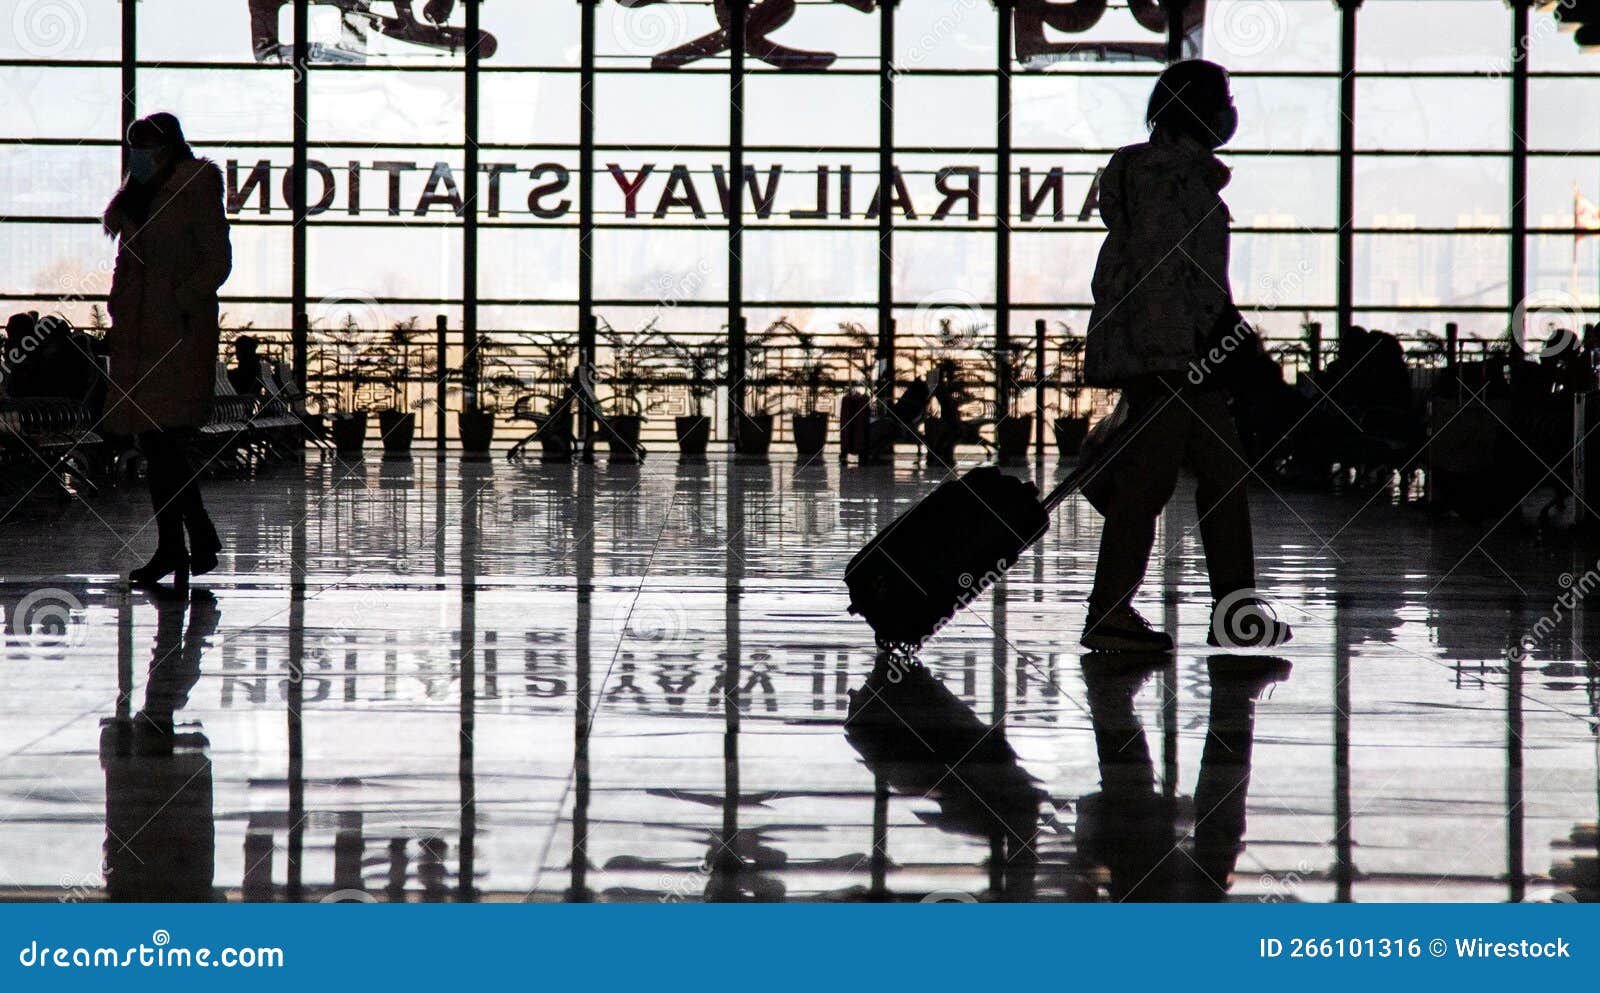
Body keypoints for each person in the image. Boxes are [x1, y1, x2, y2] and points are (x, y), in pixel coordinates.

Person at [1081, 60, 1290, 652]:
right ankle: (1110, 614)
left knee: (1222, 478)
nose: (1230, 111)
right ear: (1198, 109)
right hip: (1172, 363)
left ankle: (1234, 612)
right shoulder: (1167, 181)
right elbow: (1161, 278)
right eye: (1223, 99)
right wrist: (1169, 363)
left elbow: (1189, 283)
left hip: (1188, 359)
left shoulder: (1174, 176)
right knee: (1147, 486)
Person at [102, 113, 232, 586]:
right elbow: (126, 262)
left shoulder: (194, 190)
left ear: (169, 146)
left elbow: (217, 261)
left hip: (177, 335)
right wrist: (119, 304)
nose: (138, 152)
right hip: (138, 338)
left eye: (147, 144)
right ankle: (185, 542)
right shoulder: (136, 199)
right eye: (133, 144)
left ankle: (183, 542)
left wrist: (178, 302)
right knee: (159, 445)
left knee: (164, 442)